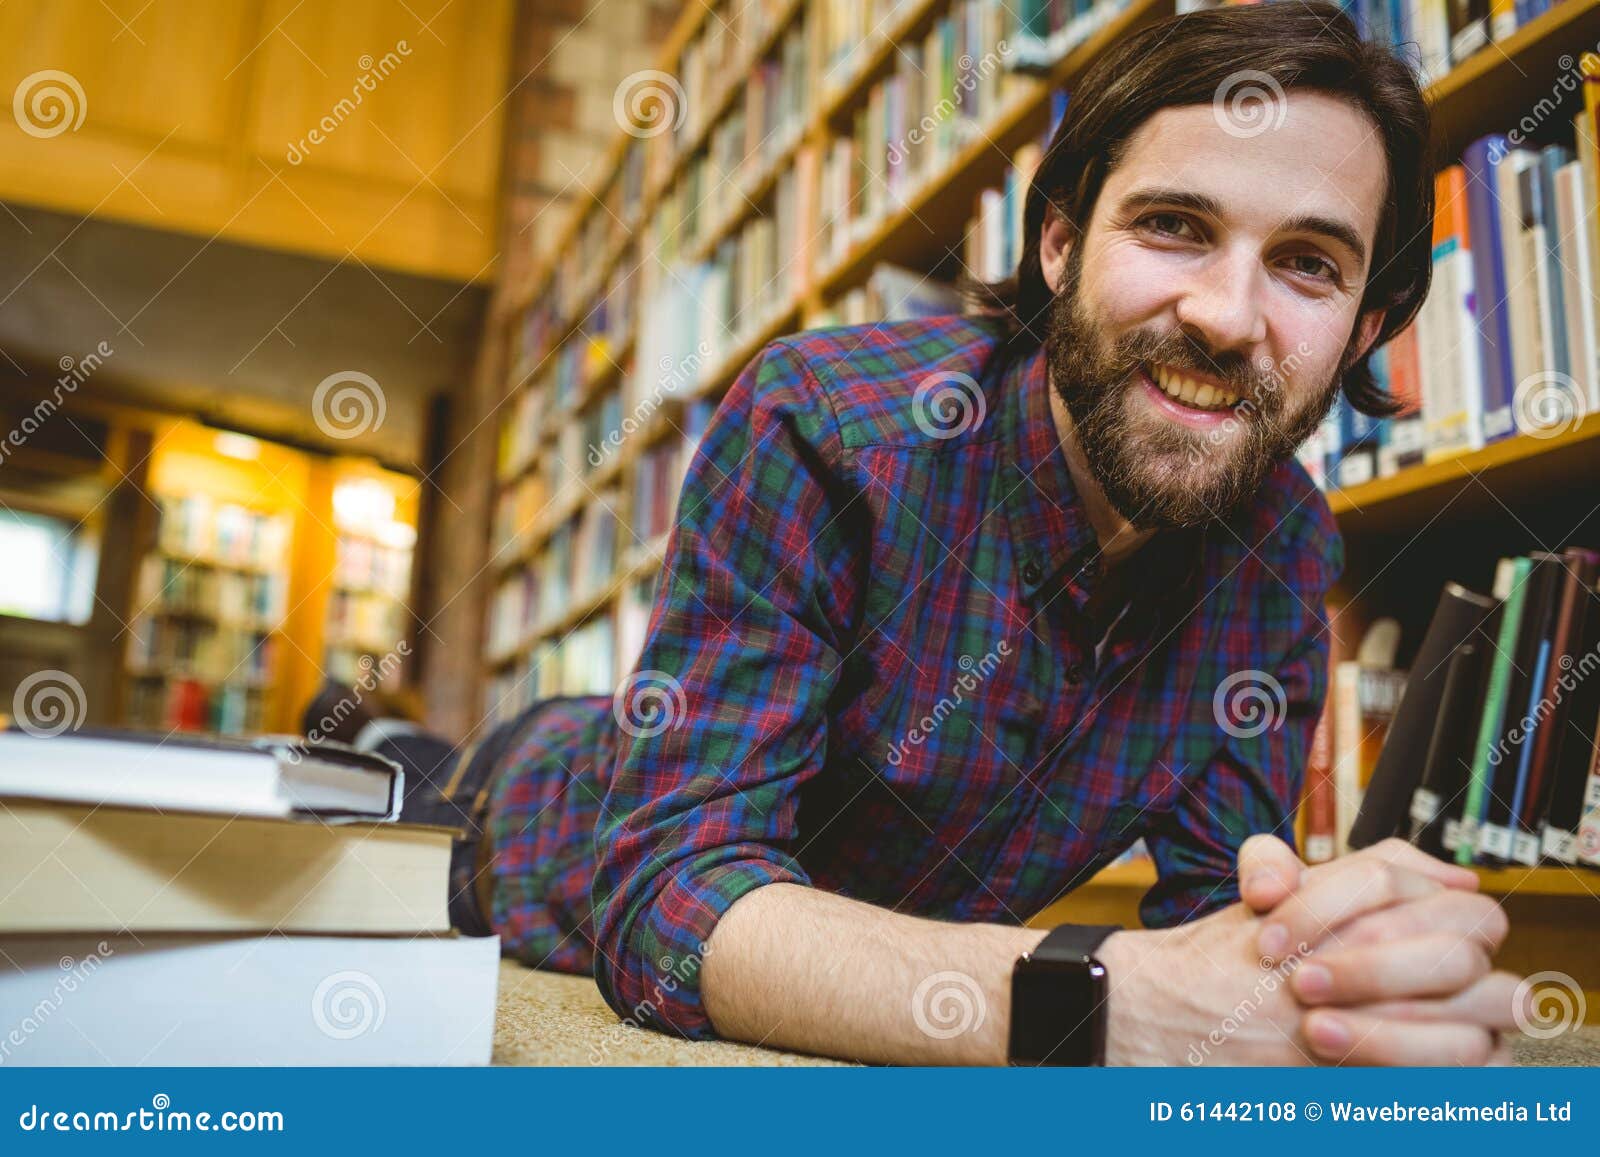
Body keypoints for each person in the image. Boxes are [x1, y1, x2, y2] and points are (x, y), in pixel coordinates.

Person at [355, 1, 1527, 1065]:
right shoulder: (823, 421)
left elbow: (1213, 923)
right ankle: (398, 743)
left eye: (1306, 265)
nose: (1226, 317)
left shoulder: (1288, 556)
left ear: (1365, 323)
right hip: (521, 823)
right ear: (1059, 245)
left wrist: (1329, 980)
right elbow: (668, 905)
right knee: (371, 805)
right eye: (1172, 225)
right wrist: (1102, 997)